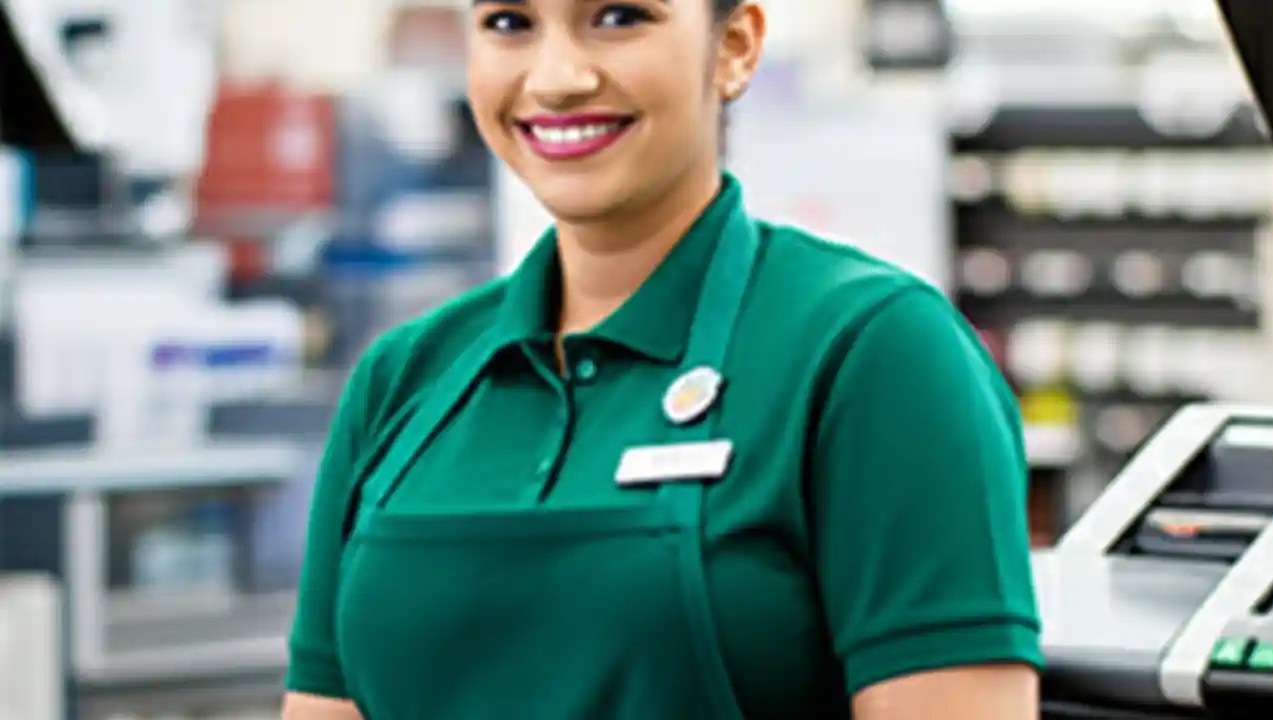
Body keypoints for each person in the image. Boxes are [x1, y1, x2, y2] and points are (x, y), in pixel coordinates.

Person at [282, 0, 1043, 718]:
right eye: (510, 22)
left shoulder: (876, 353)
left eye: (619, 17)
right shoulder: (401, 380)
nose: (555, 78)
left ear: (734, 45)